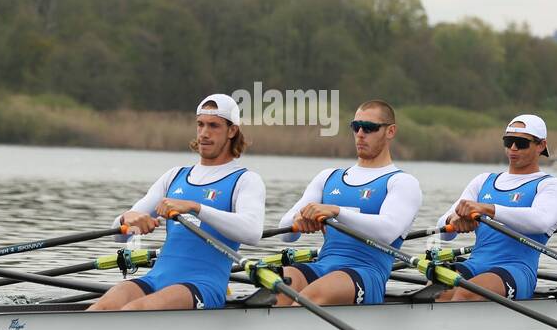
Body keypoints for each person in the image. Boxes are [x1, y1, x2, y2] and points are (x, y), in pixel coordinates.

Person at [89, 94, 265, 311]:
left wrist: (195, 207)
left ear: (232, 131)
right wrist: (127, 218)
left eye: (213, 126)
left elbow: (253, 232)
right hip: (156, 278)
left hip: (202, 285)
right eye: (200, 125)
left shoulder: (246, 180)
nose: (204, 133)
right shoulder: (174, 176)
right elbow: (119, 235)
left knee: (133, 311)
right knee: (103, 308)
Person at [277, 100, 423, 305]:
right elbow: (284, 233)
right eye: (356, 127)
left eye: (370, 128)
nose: (361, 133)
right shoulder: (327, 177)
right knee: (278, 285)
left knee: (310, 297)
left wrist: (337, 212)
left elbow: (387, 231)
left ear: (390, 131)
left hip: (365, 274)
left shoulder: (402, 182)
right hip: (322, 267)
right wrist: (299, 220)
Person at [438, 114, 557, 301]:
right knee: (436, 289)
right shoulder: (483, 181)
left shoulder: (551, 185)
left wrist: (488, 209)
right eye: (508, 141)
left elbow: (541, 222)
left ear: (541, 145)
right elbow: (444, 233)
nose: (513, 148)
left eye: (521, 143)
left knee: (466, 294)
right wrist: (454, 220)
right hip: (475, 264)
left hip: (516, 270)